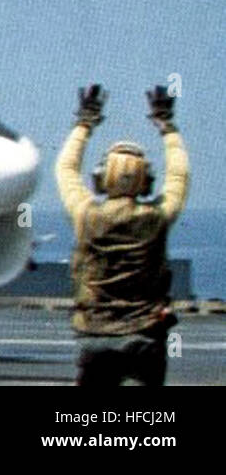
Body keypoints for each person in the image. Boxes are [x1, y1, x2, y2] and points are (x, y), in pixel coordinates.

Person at [55, 84, 189, 385]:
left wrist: (85, 123)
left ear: (101, 179)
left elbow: (65, 168)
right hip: (145, 337)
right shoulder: (156, 218)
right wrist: (167, 126)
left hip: (95, 336)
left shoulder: (85, 214)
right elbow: (179, 175)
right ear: (146, 181)